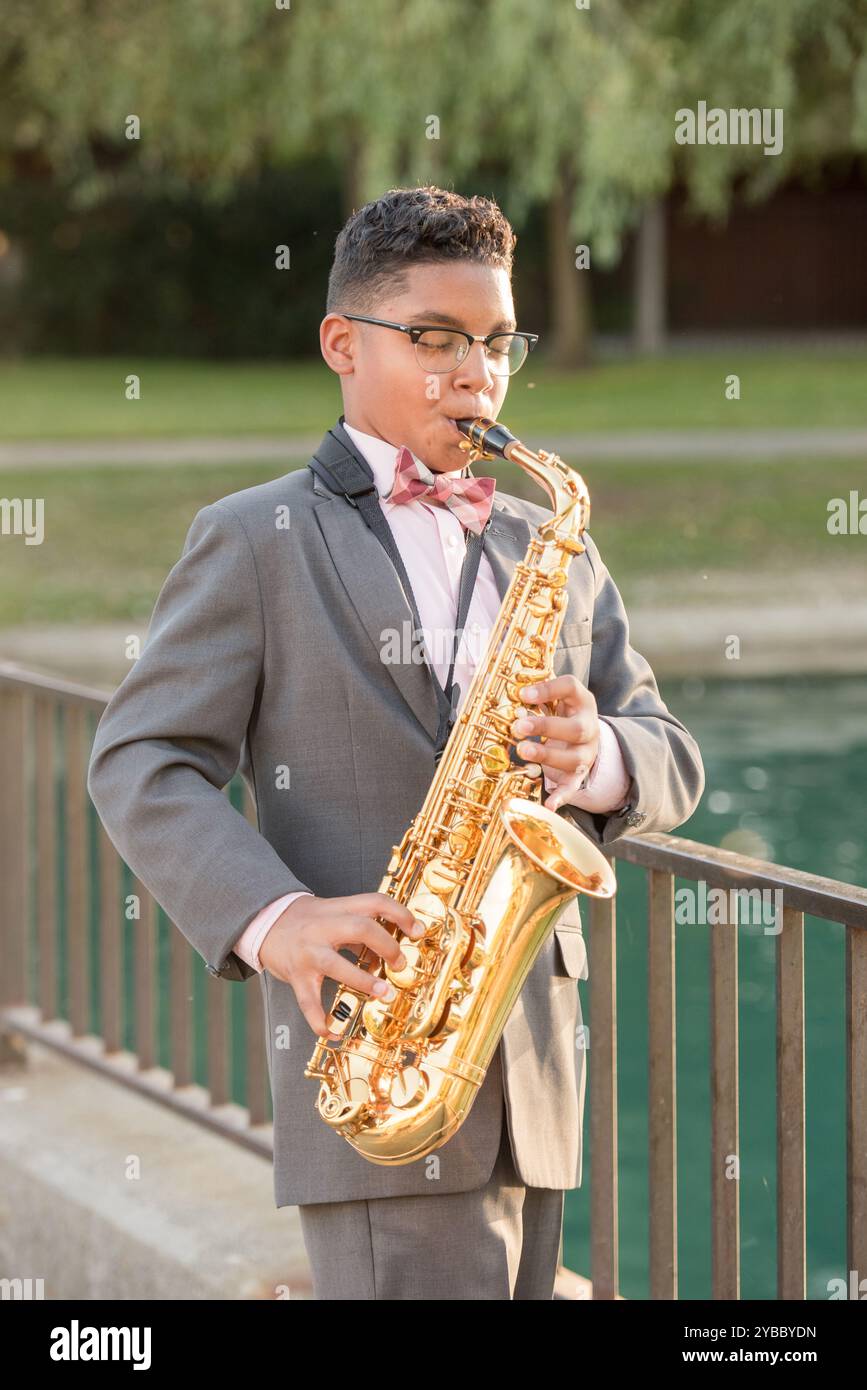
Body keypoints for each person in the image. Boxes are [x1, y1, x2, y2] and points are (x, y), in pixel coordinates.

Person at [87, 184, 705, 1300]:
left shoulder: (545, 536)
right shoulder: (251, 537)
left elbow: (669, 750)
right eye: (435, 338)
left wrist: (595, 752)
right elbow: (141, 759)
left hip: (536, 1078)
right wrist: (277, 921)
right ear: (342, 343)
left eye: (498, 343)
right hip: (383, 1067)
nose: (476, 373)